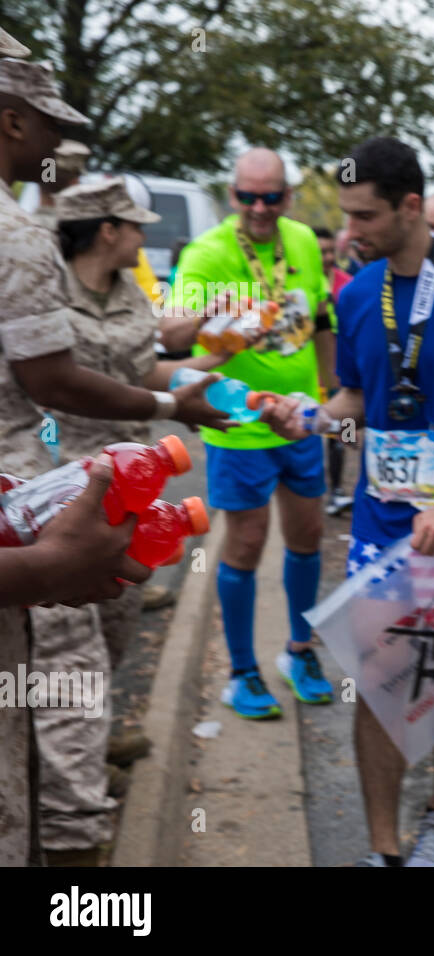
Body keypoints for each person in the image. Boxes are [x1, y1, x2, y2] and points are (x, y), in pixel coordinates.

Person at [261, 135, 434, 866]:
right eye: (346, 217)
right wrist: (312, 415)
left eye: (364, 216)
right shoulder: (356, 295)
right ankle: (384, 850)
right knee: (380, 683)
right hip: (384, 522)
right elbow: (356, 397)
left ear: (411, 206)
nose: (350, 232)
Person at [0, 51, 224, 868]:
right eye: (50, 121)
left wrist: (193, 382)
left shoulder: (127, 289)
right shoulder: (21, 243)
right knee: (64, 675)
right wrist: (170, 405)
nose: (58, 137)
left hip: (98, 492)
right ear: (12, 120)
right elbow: (54, 380)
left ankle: (66, 792)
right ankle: (73, 840)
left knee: (89, 652)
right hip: (45, 498)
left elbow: (134, 362)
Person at [163, 147, 335, 719]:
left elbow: (323, 320)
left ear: (287, 195)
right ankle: (241, 673)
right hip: (238, 420)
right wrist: (208, 316)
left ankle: (299, 652)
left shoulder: (304, 241)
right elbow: (169, 337)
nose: (259, 208)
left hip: (301, 418)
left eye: (272, 196)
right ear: (232, 195)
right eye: (247, 196)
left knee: (308, 536)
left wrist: (331, 397)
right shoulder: (208, 252)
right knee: (246, 541)